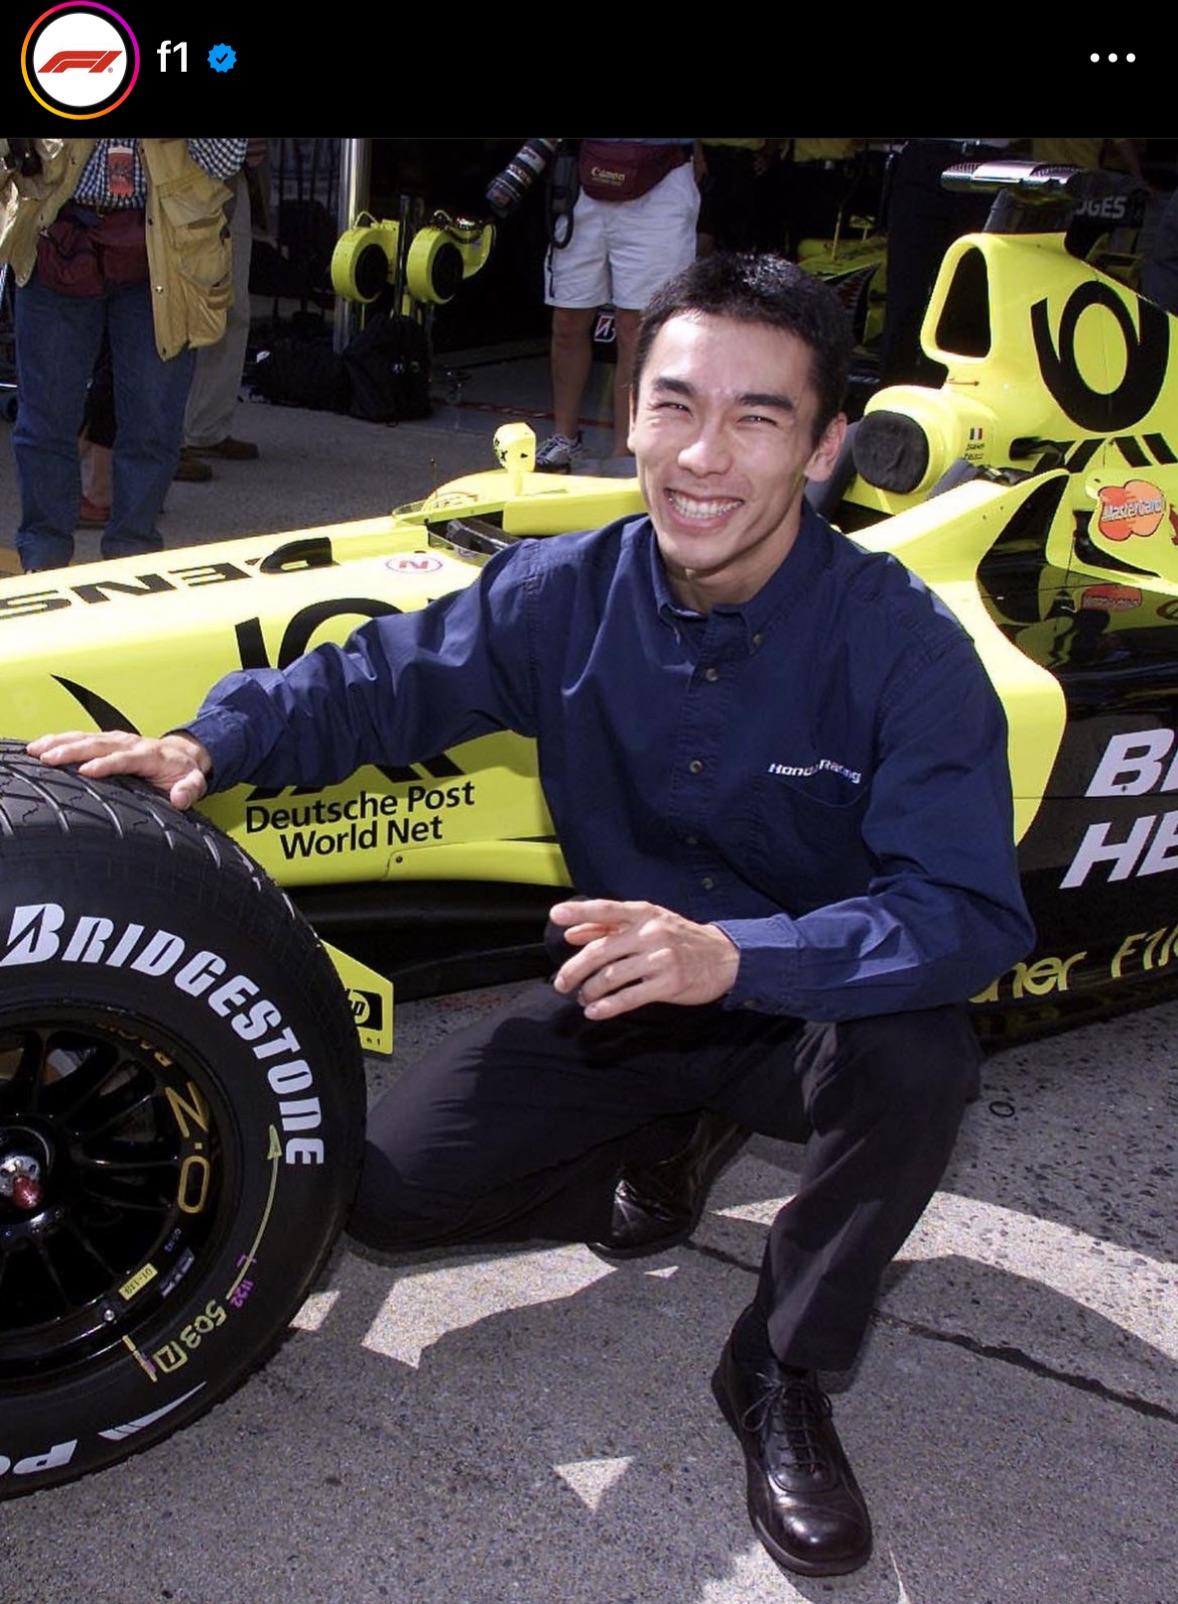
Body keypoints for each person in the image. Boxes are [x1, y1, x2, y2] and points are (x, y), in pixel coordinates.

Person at [29, 254, 1034, 1580]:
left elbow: (965, 913)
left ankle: (782, 1373)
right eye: (674, 407)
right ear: (630, 416)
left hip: (807, 1009)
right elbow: (378, 685)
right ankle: (670, 1139)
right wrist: (204, 745)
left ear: (826, 445)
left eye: (757, 418)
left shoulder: (900, 647)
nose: (704, 458)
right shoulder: (566, 590)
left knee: (920, 1057)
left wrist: (738, 957)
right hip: (624, 999)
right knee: (377, 1199)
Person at [0, 137, 246, 570]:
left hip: (165, 250)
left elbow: (225, 159)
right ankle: (42, 561)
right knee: (44, 422)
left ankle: (133, 564)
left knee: (153, 424)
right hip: (58, 231)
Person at [534, 138, 700, 470]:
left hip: (661, 180)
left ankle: (627, 452)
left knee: (638, 328)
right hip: (587, 177)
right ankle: (564, 439)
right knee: (567, 319)